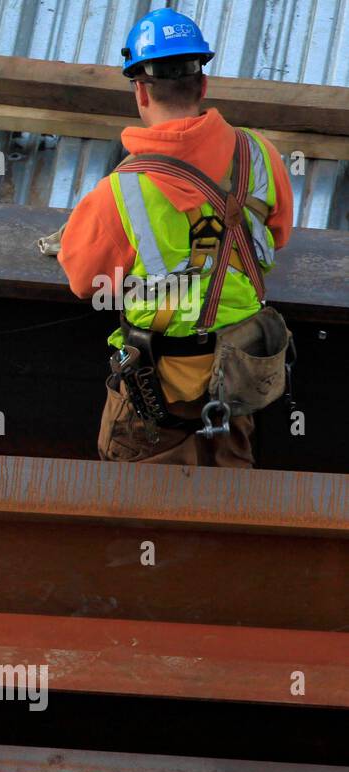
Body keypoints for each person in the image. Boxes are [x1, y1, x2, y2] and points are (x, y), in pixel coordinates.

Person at [57, 8, 294, 468]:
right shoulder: (259, 155)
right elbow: (276, 236)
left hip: (153, 397)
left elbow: (85, 283)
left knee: (133, 515)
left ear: (141, 92)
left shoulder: (119, 192)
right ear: (202, 85)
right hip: (237, 385)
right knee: (228, 515)